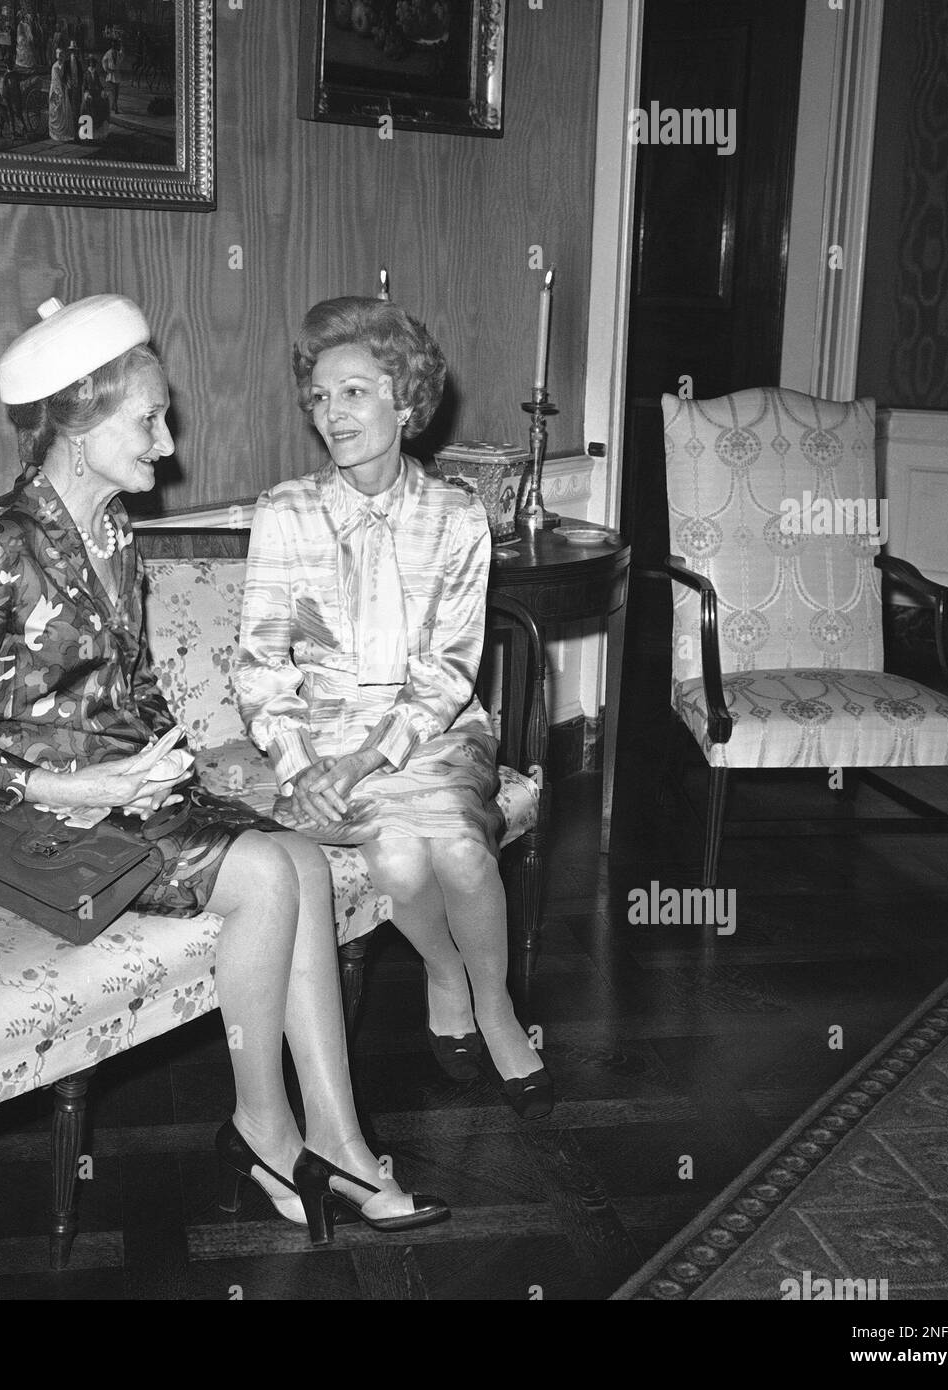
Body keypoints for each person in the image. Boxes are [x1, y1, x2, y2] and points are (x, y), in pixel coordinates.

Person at [0, 294, 449, 1243]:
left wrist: (181, 768)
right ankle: (264, 1126)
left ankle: (339, 1137)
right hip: (28, 824)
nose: (166, 442)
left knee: (304, 861)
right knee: (267, 881)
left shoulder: (115, 536)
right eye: (148, 419)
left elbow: (135, 693)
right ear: (78, 422)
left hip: (128, 799)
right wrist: (73, 788)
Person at [236, 297, 554, 1120]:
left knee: (459, 852)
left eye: (353, 393)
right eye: (318, 398)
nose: (330, 415)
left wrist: (369, 757)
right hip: (327, 734)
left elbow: (451, 671)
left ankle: (493, 1002)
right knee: (405, 862)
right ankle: (443, 970)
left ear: (405, 400)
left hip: (433, 729)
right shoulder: (285, 514)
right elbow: (261, 665)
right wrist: (302, 765)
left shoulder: (456, 518)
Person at [47, 43, 73, 141]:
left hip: (63, 88)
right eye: (59, 55)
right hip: (56, 90)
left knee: (65, 110)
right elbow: (56, 81)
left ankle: (65, 132)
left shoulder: (65, 65)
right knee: (57, 109)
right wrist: (60, 92)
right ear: (56, 56)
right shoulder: (55, 67)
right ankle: (56, 132)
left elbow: (66, 77)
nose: (60, 57)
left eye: (62, 55)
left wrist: (68, 84)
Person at [101, 39, 121, 115]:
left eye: (115, 45)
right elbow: (103, 61)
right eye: (113, 45)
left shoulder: (118, 53)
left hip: (117, 75)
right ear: (111, 45)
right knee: (114, 92)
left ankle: (113, 105)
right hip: (110, 76)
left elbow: (121, 57)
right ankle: (116, 108)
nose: (114, 46)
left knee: (117, 92)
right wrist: (107, 69)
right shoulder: (108, 53)